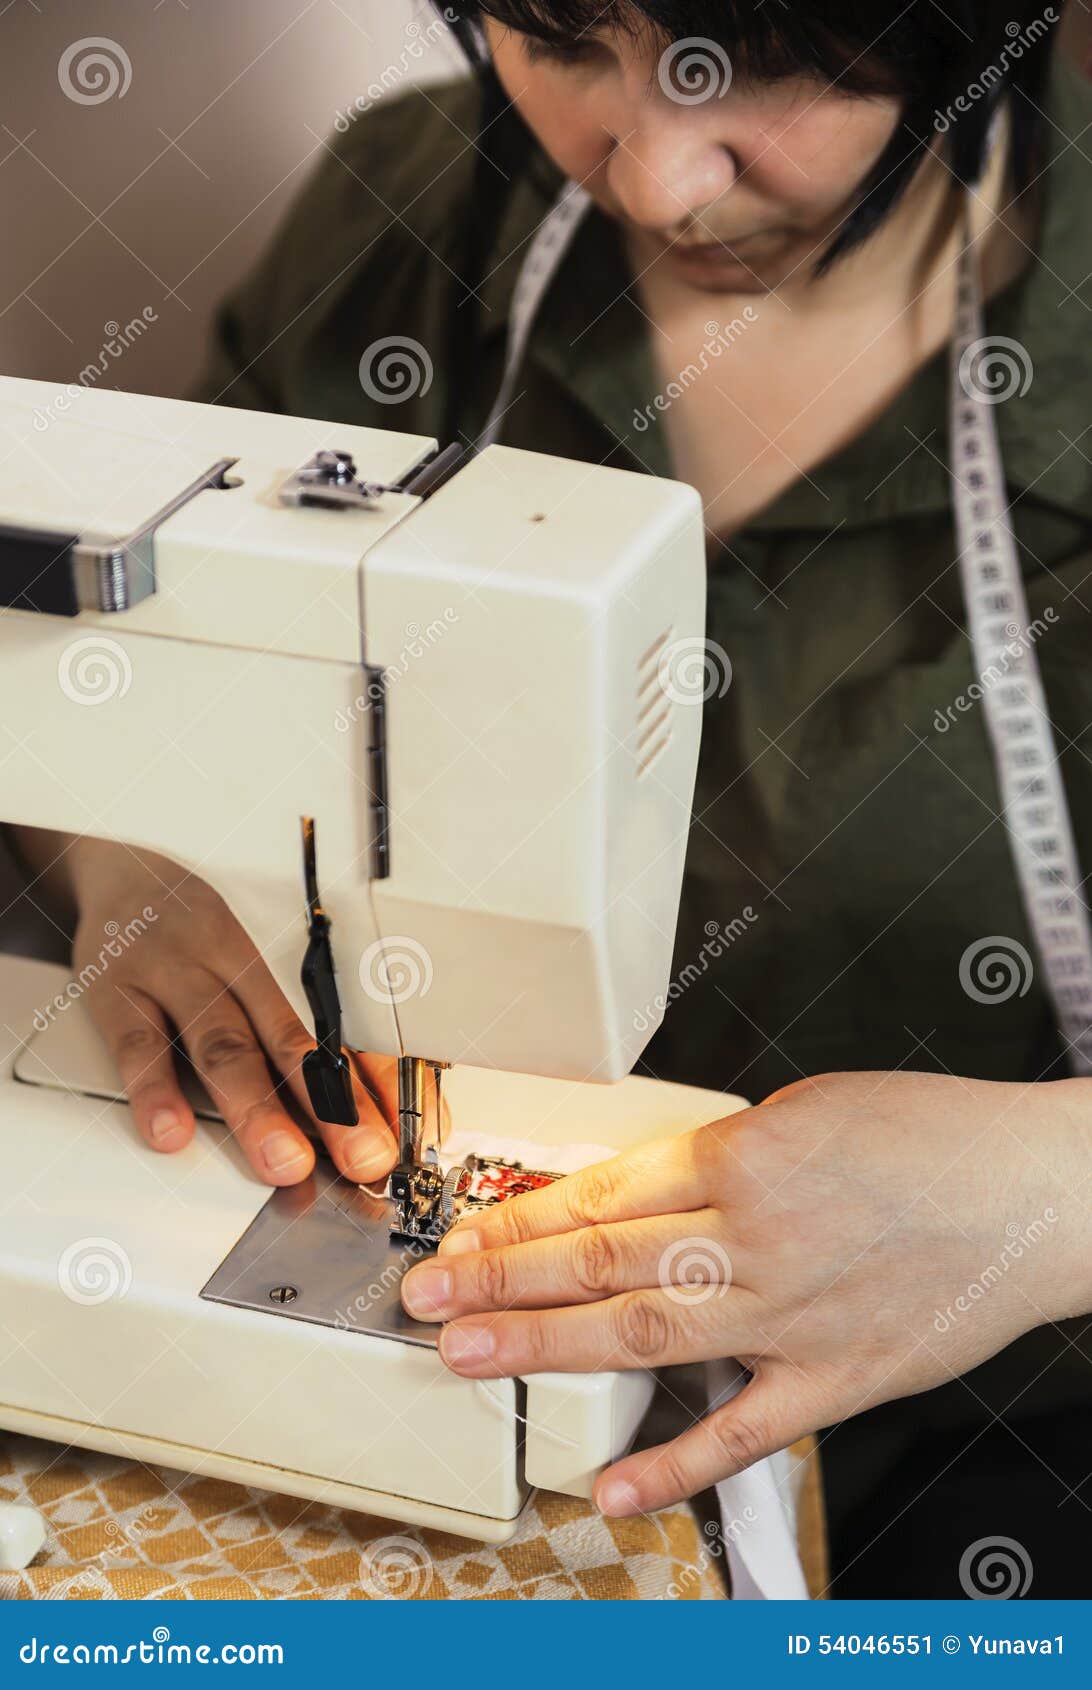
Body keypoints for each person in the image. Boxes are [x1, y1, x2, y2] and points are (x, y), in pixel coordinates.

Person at [10, 1, 1092, 1597]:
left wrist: (1046, 1193)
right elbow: (109, 656)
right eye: (568, 42)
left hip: (1003, 1440)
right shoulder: (403, 219)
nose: (653, 178)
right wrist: (128, 852)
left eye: (766, 68)